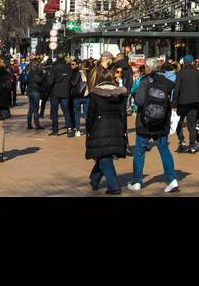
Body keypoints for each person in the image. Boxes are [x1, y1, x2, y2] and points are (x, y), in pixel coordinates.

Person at [126, 61, 179, 193]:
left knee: (139, 151)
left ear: (149, 68)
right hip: (161, 122)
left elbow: (139, 101)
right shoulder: (166, 81)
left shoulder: (145, 81)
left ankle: (137, 181)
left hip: (145, 122)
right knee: (164, 150)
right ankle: (171, 179)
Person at [84, 65, 129, 193]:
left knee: (104, 157)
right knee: (104, 154)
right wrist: (123, 129)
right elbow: (123, 114)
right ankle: (95, 178)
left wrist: (89, 129)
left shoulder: (95, 95)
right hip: (116, 127)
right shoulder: (120, 95)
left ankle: (114, 186)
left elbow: (90, 115)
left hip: (99, 127)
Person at [174, 55, 199, 153]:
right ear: (192, 62)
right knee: (191, 124)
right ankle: (192, 145)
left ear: (184, 62)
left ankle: (182, 141)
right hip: (195, 102)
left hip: (182, 102)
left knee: (178, 122)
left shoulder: (180, 73)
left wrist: (174, 102)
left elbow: (177, 88)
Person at [44, 54, 76, 136]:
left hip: (55, 92)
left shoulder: (54, 68)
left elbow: (50, 82)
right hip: (65, 92)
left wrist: (48, 90)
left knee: (54, 112)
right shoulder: (68, 68)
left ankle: (55, 130)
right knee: (66, 111)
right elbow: (72, 81)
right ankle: (69, 128)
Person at [25, 56, 46, 130]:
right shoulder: (34, 72)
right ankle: (37, 125)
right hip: (35, 91)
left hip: (30, 91)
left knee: (31, 108)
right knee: (35, 109)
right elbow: (39, 80)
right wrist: (43, 74)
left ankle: (29, 124)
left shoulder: (30, 71)